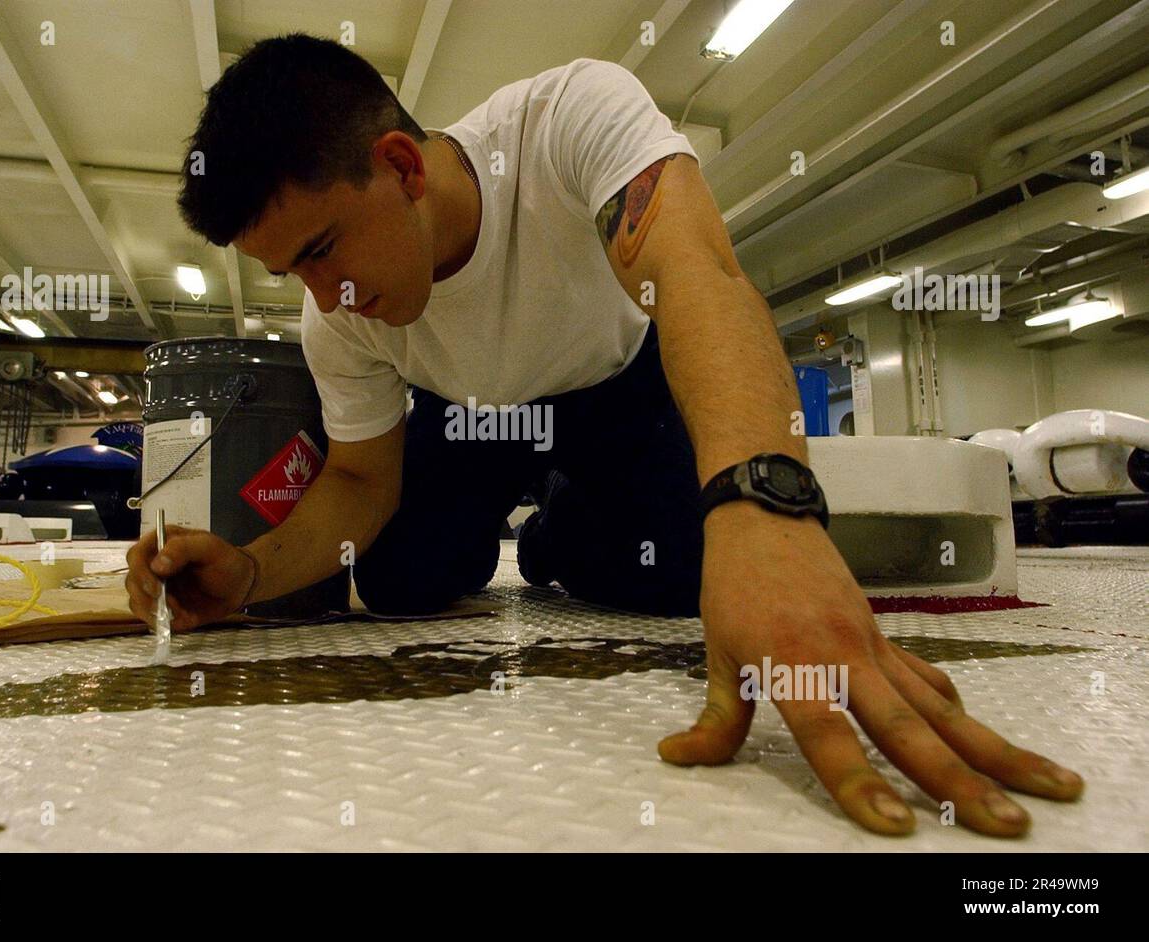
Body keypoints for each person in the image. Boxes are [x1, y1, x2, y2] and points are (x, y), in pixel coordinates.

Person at [126, 33, 1082, 836]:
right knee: (400, 581)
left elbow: (701, 276)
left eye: (324, 249)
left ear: (403, 166)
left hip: (613, 389)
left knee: (682, 577)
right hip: (468, 416)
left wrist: (769, 515)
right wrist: (246, 575)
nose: (324, 298)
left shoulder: (570, 117)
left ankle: (560, 535)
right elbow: (358, 485)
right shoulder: (338, 317)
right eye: (294, 273)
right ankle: (544, 522)